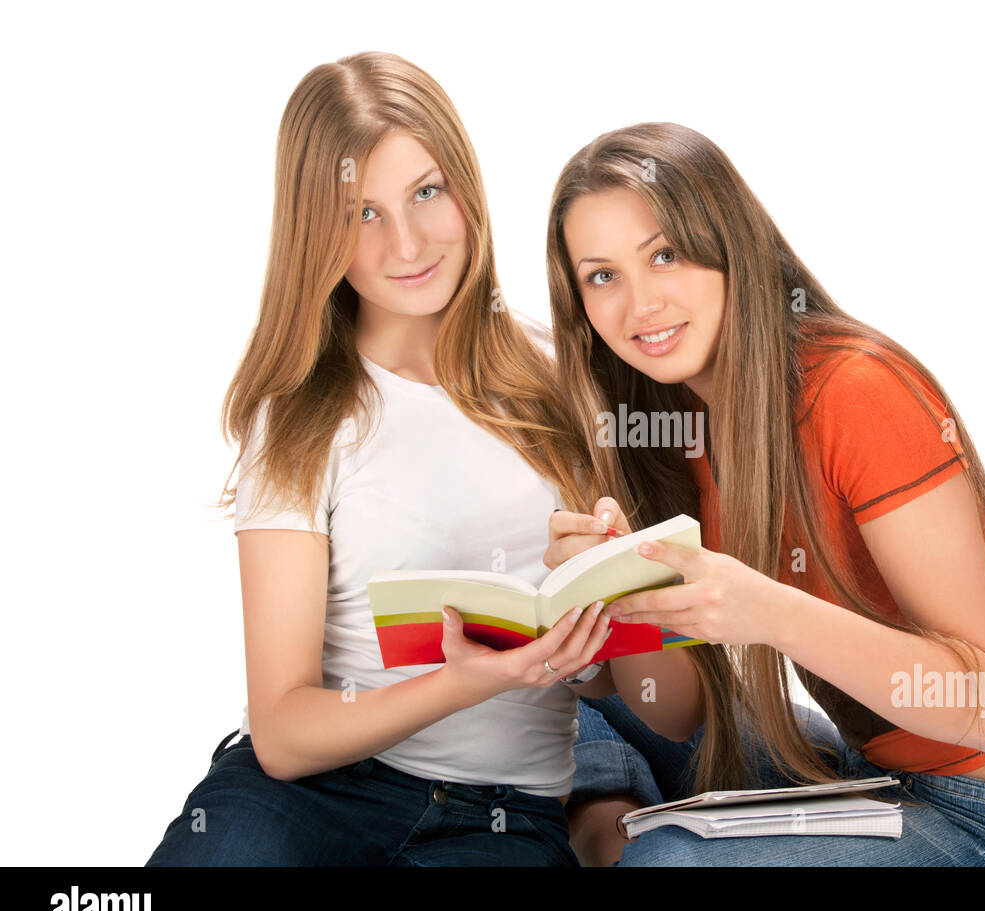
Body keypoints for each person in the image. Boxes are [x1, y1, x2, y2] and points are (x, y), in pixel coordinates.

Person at [544, 122, 985, 866]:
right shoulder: (669, 432)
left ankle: (622, 843)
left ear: (727, 243)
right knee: (562, 697)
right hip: (869, 785)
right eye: (601, 276)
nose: (640, 306)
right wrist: (607, 608)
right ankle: (609, 822)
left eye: (664, 255)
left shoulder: (855, 390)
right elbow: (677, 715)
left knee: (669, 861)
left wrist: (765, 610)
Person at [147, 52, 631, 866]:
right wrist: (465, 682)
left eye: (425, 192)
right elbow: (284, 735)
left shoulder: (562, 389)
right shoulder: (300, 418)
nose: (405, 243)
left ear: (466, 187)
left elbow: (607, 689)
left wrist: (593, 618)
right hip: (312, 794)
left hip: (501, 816)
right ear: (316, 232)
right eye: (360, 213)